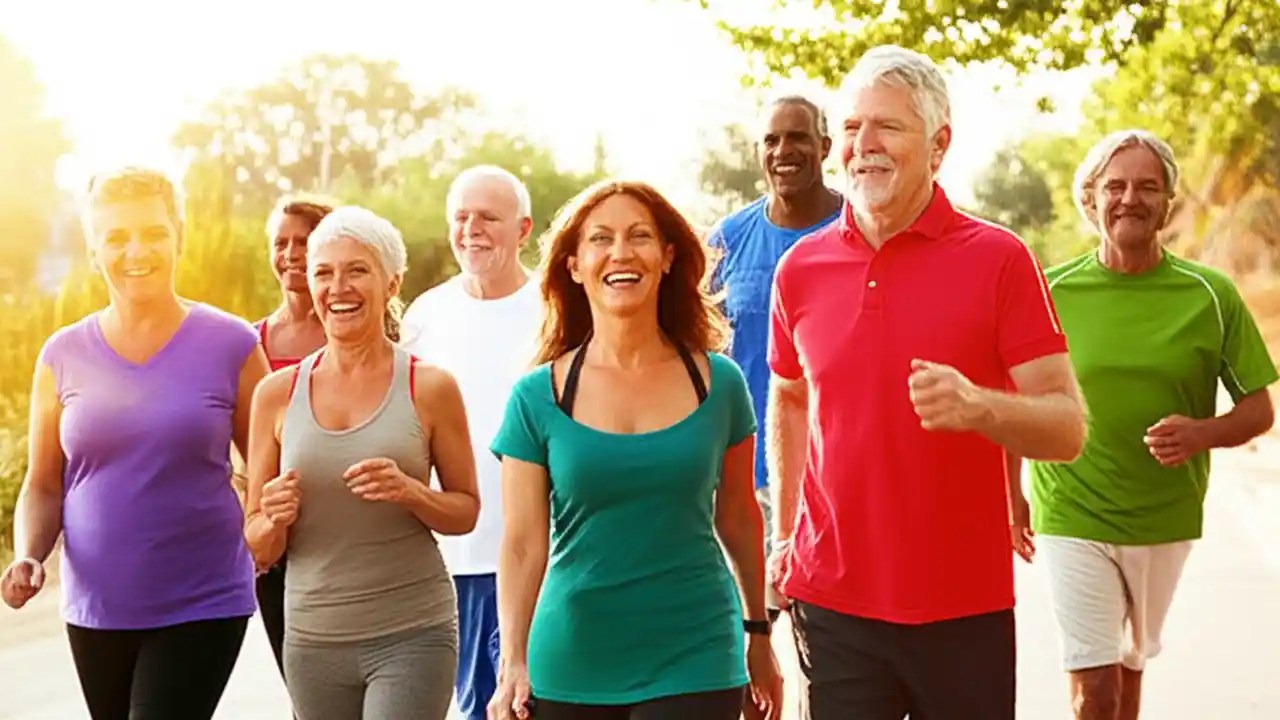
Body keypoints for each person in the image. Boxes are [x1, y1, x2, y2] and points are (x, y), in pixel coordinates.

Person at [766, 45, 1087, 720]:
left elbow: (1067, 426)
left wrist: (980, 407)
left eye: (887, 127)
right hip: (833, 603)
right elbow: (790, 396)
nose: (863, 145)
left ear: (939, 145)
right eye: (852, 128)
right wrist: (787, 533)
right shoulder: (800, 268)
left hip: (961, 610)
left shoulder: (1000, 260)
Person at [486, 180, 785, 720]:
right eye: (600, 239)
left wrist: (759, 634)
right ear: (574, 265)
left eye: (639, 236)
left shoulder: (720, 384)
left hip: (698, 656)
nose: (620, 253)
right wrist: (512, 662)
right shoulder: (536, 397)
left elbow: (740, 518)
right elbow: (523, 544)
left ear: (668, 258)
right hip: (572, 659)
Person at [1025, 130, 1278, 720]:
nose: (1129, 199)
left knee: (1129, 664)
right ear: (1091, 198)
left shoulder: (1209, 295)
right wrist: (1009, 495)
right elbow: (1022, 395)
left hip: (1164, 513)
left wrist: (1200, 432)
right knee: (1096, 686)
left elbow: (1258, 410)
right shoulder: (1052, 290)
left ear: (1169, 202)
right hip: (1069, 508)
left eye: (1147, 187)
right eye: (1114, 186)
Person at [0, 166, 269, 719]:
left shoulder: (232, 344)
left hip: (203, 597)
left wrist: (271, 535)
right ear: (94, 249)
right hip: (95, 606)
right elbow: (45, 483)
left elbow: (271, 467)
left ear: (179, 236)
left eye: (153, 232)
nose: (136, 250)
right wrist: (28, 553)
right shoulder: (61, 354)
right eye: (116, 237)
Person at [243, 205, 481, 720]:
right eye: (324, 273)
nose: (339, 287)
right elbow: (258, 542)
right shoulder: (275, 394)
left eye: (357, 271)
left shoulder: (430, 387)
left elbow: (465, 512)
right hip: (312, 639)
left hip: (412, 632)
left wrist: (412, 492)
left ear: (391, 282)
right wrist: (272, 516)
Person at [400, 165, 543, 720]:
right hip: (448, 561)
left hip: (536, 557)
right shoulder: (425, 316)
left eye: (488, 217)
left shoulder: (557, 310)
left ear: (523, 228)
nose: (472, 229)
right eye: (461, 217)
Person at [705, 93, 842, 631]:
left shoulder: (860, 229)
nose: (784, 150)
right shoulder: (728, 241)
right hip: (742, 476)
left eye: (798, 137)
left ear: (826, 147)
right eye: (772, 139)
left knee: (825, 645)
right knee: (744, 641)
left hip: (833, 479)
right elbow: (704, 353)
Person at [252, 193, 335, 679]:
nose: (290, 255)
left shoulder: (363, 333)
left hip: (345, 532)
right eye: (280, 243)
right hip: (278, 542)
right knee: (305, 687)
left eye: (303, 243)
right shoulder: (251, 342)